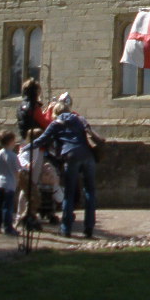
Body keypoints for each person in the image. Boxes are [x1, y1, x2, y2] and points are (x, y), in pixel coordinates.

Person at [30, 91, 101, 238]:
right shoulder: (80, 119)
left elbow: (43, 139)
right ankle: (89, 229)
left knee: (68, 193)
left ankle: (66, 228)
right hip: (88, 155)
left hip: (71, 156)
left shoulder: (56, 123)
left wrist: (26, 147)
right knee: (90, 192)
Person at [0, 130, 19, 235]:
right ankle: (8, 227)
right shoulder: (13, 156)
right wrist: (18, 181)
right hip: (9, 184)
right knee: (8, 207)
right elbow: (17, 171)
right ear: (11, 141)